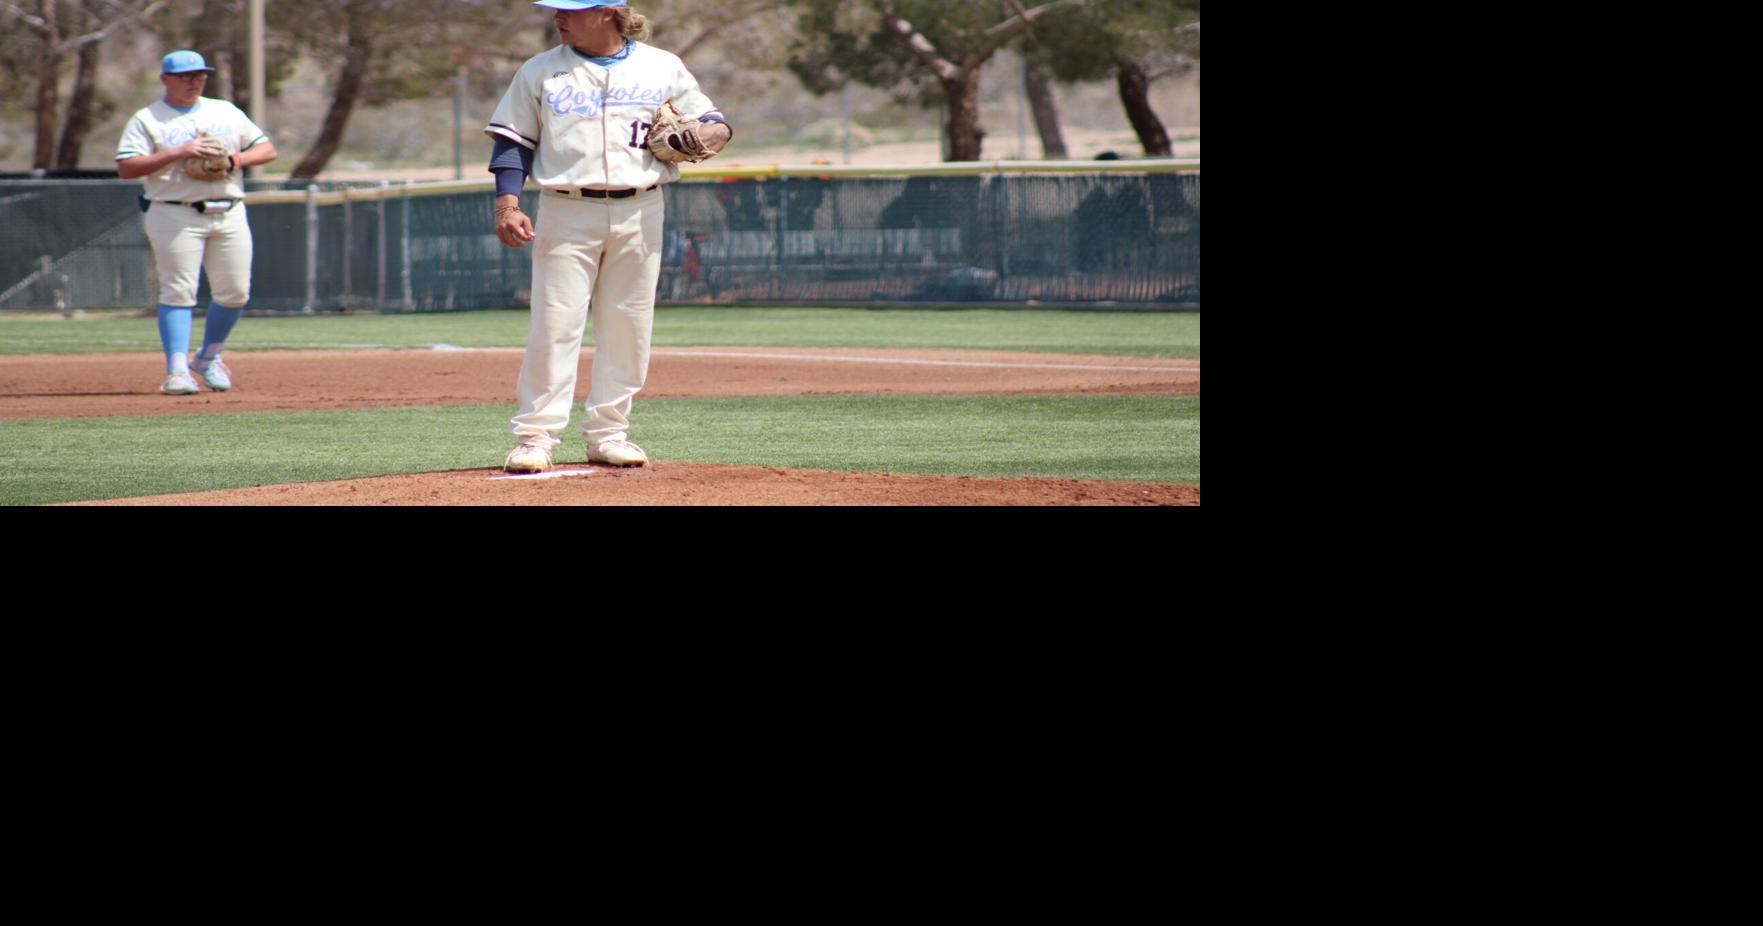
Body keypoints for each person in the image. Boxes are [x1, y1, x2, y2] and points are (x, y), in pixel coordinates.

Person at [487, 0, 731, 472]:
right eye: (556, 9)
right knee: (555, 325)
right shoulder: (541, 71)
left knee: (629, 325)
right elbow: (511, 142)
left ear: (608, 12)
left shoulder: (662, 66)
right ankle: (535, 437)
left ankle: (608, 433)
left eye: (570, 10)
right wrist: (507, 203)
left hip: (641, 206)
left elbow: (712, 119)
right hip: (565, 206)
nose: (557, 17)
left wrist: (717, 131)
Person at [116, 50, 277, 396]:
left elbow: (266, 150)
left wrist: (235, 159)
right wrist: (179, 152)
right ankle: (177, 371)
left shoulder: (225, 111)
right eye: (185, 76)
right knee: (178, 290)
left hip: (229, 209)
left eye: (199, 76)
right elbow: (127, 167)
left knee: (236, 292)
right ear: (165, 79)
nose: (194, 82)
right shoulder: (149, 119)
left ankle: (207, 357)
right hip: (174, 210)